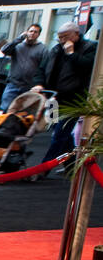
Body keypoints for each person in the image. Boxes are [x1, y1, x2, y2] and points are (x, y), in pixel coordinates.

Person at [35, 22, 99, 166]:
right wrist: (39, 83)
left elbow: (87, 66)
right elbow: (42, 68)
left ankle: (44, 168)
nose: (62, 40)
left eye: (65, 36)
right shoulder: (56, 49)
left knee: (60, 134)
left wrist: (71, 54)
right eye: (59, 37)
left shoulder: (90, 47)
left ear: (76, 34)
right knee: (56, 131)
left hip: (75, 99)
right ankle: (70, 165)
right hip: (54, 97)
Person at [1, 23, 45, 112]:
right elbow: (4, 50)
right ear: (26, 32)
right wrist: (19, 39)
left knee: (24, 112)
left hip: (29, 86)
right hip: (13, 84)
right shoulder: (18, 45)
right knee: (7, 108)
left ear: (38, 34)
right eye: (31, 31)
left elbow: (43, 67)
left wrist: (39, 84)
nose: (32, 33)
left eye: (35, 32)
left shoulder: (43, 49)